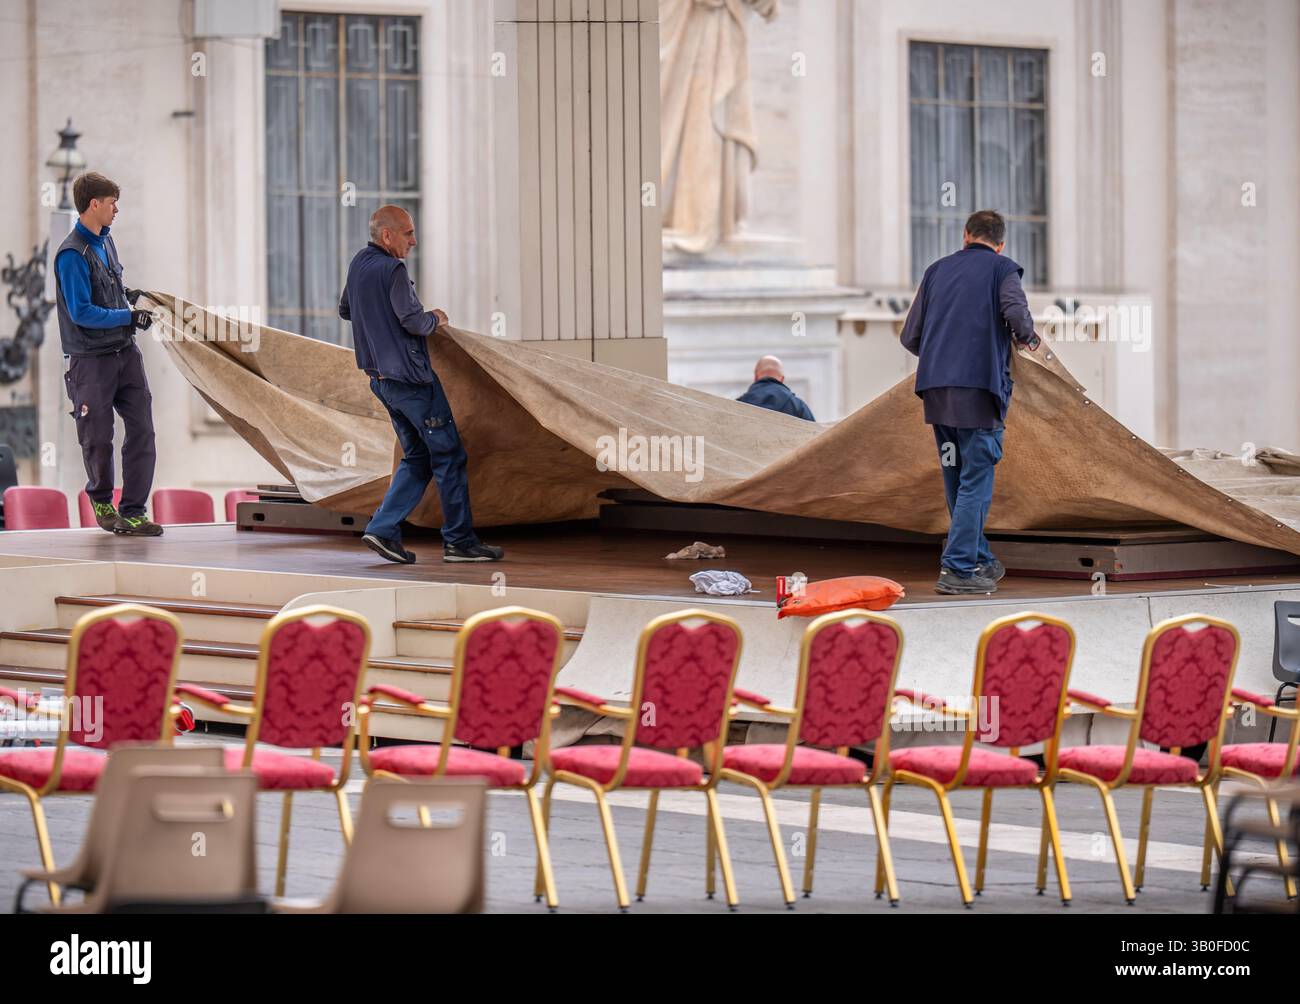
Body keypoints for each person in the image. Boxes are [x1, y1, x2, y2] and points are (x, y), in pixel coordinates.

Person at [339, 205, 503, 564]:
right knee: (449, 456)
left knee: (418, 456)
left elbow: (346, 310)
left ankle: (382, 529)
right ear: (387, 235)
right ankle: (459, 542)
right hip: (412, 383)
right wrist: (436, 318)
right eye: (408, 233)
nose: (414, 240)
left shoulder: (358, 265)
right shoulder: (393, 269)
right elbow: (413, 321)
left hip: (380, 382)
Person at [900, 209, 1041, 595]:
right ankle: (958, 568)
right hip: (978, 394)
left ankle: (976, 555)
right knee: (976, 477)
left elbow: (910, 337)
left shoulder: (936, 271)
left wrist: (941, 356)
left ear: (965, 235)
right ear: (1001, 244)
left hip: (937, 395)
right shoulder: (1002, 269)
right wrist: (1028, 338)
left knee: (956, 475)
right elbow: (1016, 313)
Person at [53, 172, 162, 536]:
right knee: (98, 436)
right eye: (112, 202)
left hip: (125, 354)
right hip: (91, 361)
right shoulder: (71, 254)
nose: (117, 209)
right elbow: (81, 311)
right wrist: (127, 315)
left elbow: (106, 290)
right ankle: (102, 500)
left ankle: (133, 510)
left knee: (143, 431)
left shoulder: (106, 241)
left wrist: (128, 296)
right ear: (93, 204)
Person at [736, 355, 816, 421]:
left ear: (756, 377)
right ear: (782, 379)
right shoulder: (798, 406)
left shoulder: (737, 405)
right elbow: (815, 436)